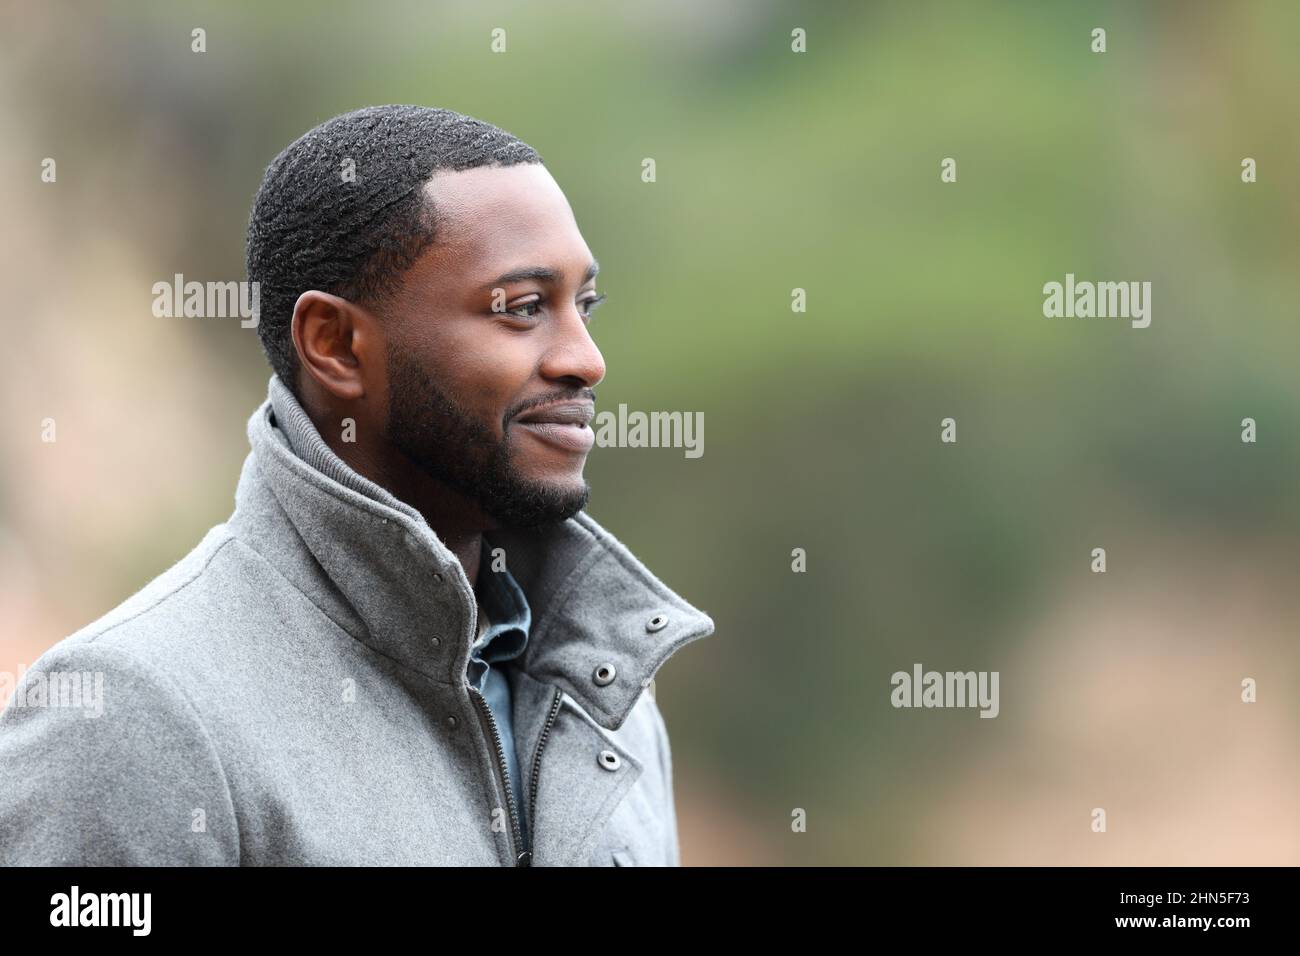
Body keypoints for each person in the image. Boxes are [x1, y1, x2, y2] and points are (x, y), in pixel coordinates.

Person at [0, 105, 715, 866]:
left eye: (586, 306)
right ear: (336, 346)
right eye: (523, 308)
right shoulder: (131, 715)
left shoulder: (602, 691)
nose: (585, 358)